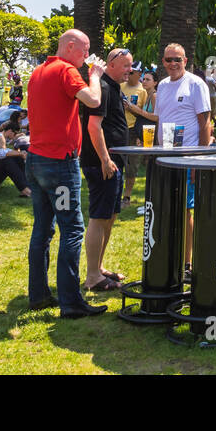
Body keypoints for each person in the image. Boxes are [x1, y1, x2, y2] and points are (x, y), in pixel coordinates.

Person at [26, 30, 106, 318]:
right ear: (71, 47)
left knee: (42, 229)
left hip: (36, 160)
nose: (86, 57)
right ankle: (71, 302)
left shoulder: (38, 71)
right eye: (85, 51)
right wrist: (95, 74)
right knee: (71, 230)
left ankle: (38, 295)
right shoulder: (67, 71)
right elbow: (93, 101)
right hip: (59, 164)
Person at [155, 42, 213, 278]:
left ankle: (187, 264)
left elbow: (205, 123)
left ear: (186, 61)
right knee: (167, 208)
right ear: (163, 62)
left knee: (187, 210)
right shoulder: (162, 85)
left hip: (188, 157)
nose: (173, 64)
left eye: (177, 59)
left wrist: (199, 158)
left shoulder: (196, 84)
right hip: (165, 156)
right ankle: (169, 257)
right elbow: (161, 119)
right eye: (168, 60)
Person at [80, 48, 134, 293]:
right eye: (125, 66)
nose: (130, 71)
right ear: (111, 65)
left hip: (113, 162)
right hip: (102, 163)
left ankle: (98, 268)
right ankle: (92, 277)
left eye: (130, 66)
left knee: (109, 217)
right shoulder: (101, 86)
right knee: (99, 217)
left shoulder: (112, 87)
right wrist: (104, 158)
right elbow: (94, 126)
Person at [118, 64, 154, 207]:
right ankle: (116, 194)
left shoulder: (142, 90)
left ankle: (127, 197)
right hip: (120, 129)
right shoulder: (120, 86)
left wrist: (140, 135)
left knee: (132, 165)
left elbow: (145, 114)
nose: (130, 73)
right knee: (118, 162)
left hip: (134, 130)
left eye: (134, 72)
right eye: (130, 71)